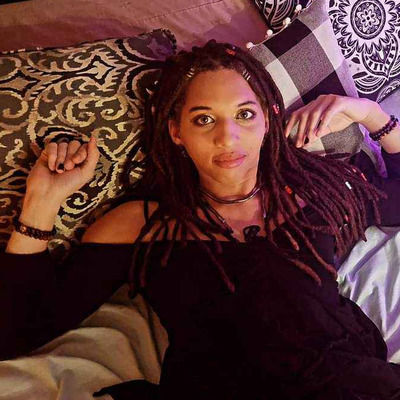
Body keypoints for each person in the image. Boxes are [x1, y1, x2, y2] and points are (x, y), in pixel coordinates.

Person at [2, 39, 400, 399]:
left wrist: (370, 114)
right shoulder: (144, 225)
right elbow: (18, 330)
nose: (227, 137)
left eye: (244, 114)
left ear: (267, 119)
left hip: (353, 383)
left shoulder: (316, 192)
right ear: (176, 132)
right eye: (204, 119)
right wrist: (42, 203)